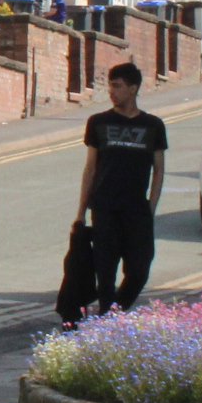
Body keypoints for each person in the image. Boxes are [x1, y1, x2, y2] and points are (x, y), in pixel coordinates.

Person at [75, 62, 166, 313]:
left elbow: (159, 170)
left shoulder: (153, 126)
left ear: (133, 88)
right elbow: (90, 169)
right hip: (105, 209)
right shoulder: (98, 122)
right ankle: (107, 318)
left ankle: (116, 312)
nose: (111, 92)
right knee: (105, 273)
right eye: (110, 86)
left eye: (117, 86)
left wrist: (150, 208)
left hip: (137, 210)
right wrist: (81, 212)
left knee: (139, 270)